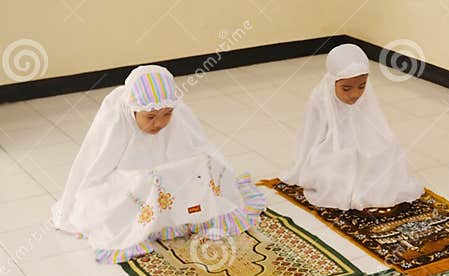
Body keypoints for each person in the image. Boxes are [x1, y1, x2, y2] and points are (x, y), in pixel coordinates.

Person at [53, 64, 263, 263]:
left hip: (165, 176)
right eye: (150, 117)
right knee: (144, 183)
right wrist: (143, 179)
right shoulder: (116, 122)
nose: (160, 123)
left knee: (203, 167)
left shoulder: (178, 116)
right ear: (133, 110)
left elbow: (196, 150)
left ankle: (185, 215)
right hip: (131, 180)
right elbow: (96, 173)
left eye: (167, 114)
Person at [283, 43, 423, 209]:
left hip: (362, 145)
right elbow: (310, 138)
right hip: (331, 151)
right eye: (346, 88)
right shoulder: (319, 99)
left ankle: (365, 181)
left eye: (362, 86)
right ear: (333, 82)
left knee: (390, 150)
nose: (355, 94)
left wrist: (372, 147)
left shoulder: (365, 97)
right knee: (346, 161)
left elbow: (376, 127)